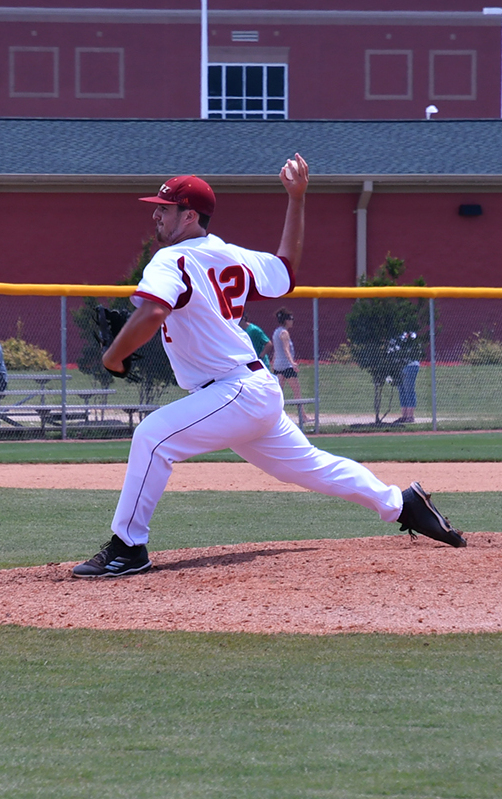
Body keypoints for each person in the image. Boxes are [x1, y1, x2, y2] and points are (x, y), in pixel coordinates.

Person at [73, 157, 466, 579]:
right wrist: (296, 199)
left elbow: (153, 311)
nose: (155, 214)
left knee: (152, 438)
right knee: (308, 465)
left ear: (188, 216)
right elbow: (286, 269)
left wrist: (113, 357)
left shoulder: (169, 261)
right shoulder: (229, 254)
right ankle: (401, 502)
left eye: (164, 208)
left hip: (233, 390)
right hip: (244, 390)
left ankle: (128, 547)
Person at [270, 307, 307, 424]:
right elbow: (286, 349)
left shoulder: (276, 332)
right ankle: (303, 416)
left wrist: (273, 364)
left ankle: (276, 416)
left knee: (279, 393)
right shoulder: (284, 333)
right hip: (286, 366)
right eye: (291, 319)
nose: (292, 321)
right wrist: (292, 363)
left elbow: (276, 351)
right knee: (297, 391)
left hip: (278, 366)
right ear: (286, 320)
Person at [394, 331, 420, 424]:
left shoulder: (411, 335)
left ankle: (410, 416)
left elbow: (412, 339)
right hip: (399, 366)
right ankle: (404, 416)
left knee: (409, 390)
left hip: (410, 365)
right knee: (401, 390)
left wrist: (406, 336)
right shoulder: (396, 334)